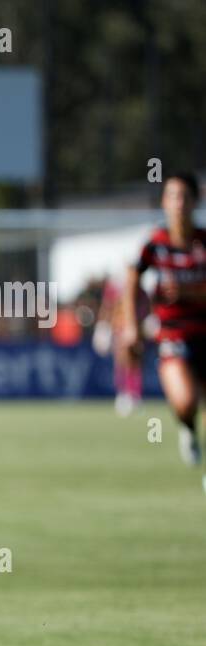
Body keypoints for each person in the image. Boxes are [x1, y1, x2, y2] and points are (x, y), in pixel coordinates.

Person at [120, 172, 206, 474]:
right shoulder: (155, 245)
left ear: (197, 201)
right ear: (164, 202)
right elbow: (131, 278)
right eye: (172, 196)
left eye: (185, 196)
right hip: (174, 336)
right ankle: (189, 428)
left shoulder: (203, 243)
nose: (178, 203)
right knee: (185, 402)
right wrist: (131, 325)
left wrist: (190, 291)